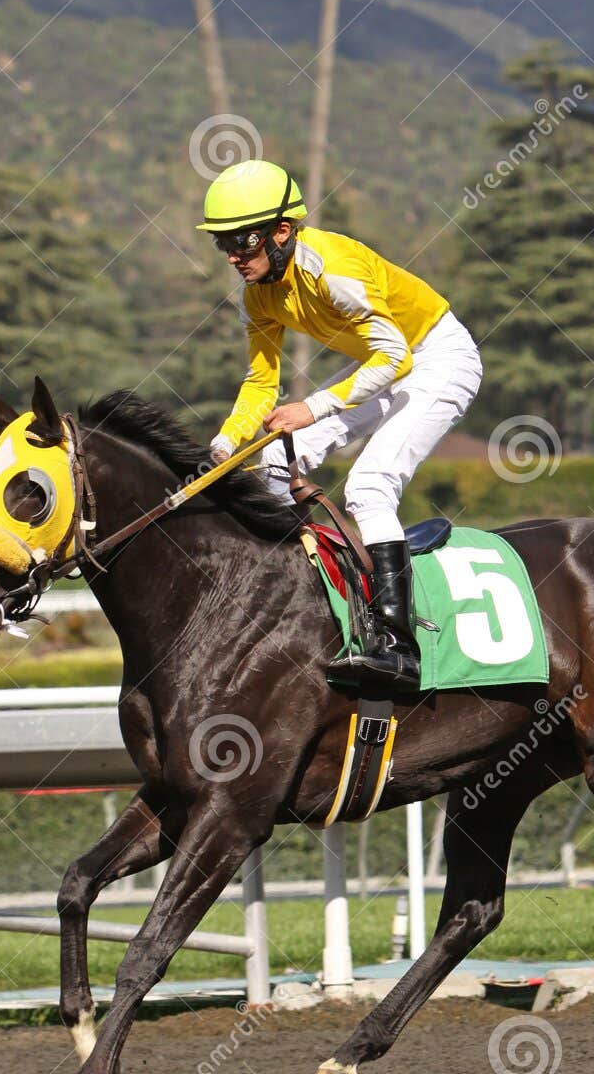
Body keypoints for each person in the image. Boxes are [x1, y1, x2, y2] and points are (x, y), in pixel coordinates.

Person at [199, 158, 482, 696]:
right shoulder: (259, 294)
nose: (234, 254)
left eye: (244, 240)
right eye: (224, 244)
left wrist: (313, 408)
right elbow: (261, 382)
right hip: (381, 360)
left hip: (436, 358)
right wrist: (224, 442)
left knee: (370, 487)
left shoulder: (331, 269)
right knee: (276, 460)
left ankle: (400, 649)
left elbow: (395, 357)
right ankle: (293, 598)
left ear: (283, 231)